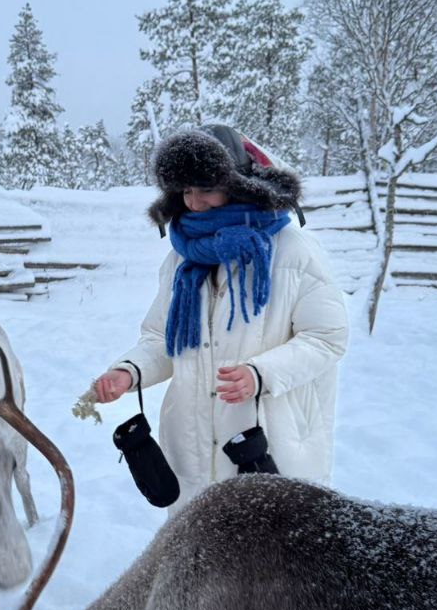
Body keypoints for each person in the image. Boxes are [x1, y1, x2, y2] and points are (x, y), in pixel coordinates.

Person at [93, 124, 349, 514]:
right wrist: (130, 371)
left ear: (238, 183)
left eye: (206, 189)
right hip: (192, 450)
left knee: (268, 564)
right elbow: (164, 338)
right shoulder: (182, 256)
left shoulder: (292, 250)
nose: (194, 203)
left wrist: (260, 374)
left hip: (267, 449)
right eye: (186, 191)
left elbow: (327, 337)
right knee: (201, 563)